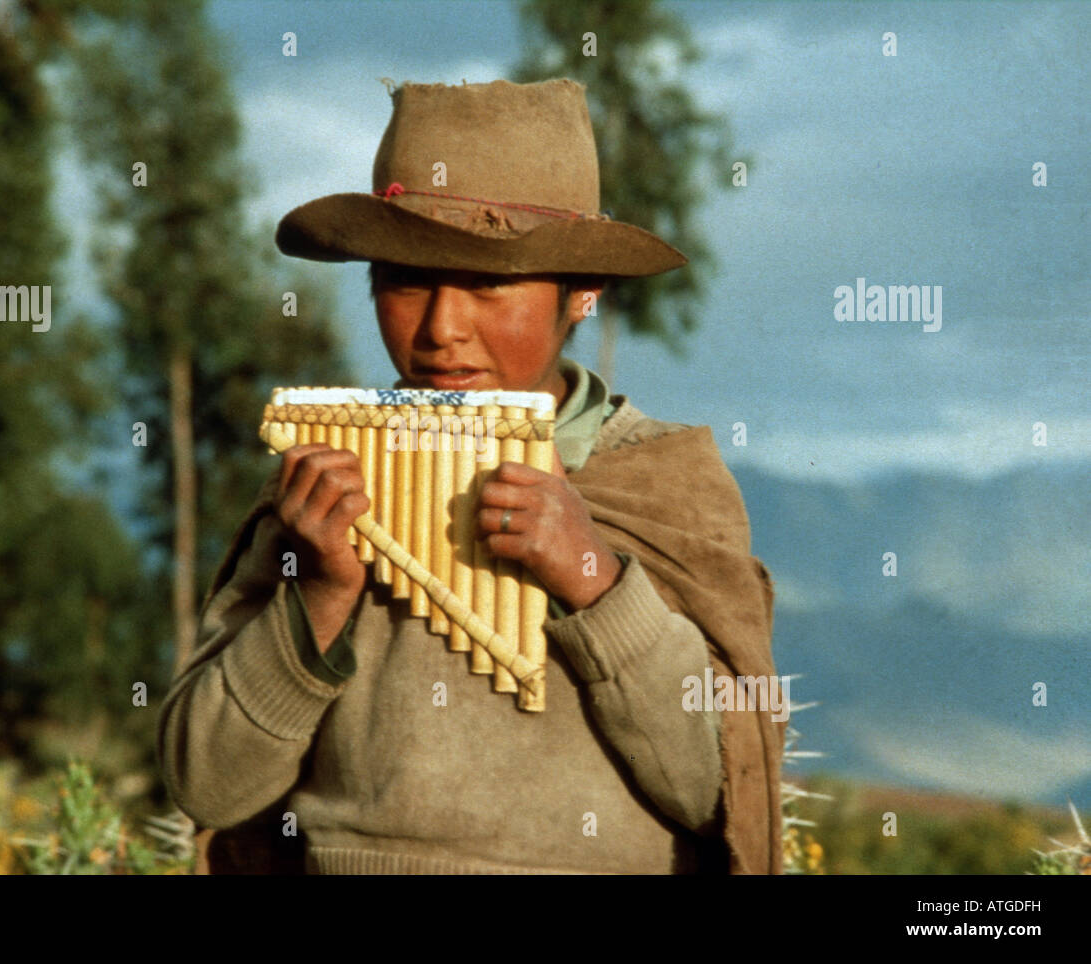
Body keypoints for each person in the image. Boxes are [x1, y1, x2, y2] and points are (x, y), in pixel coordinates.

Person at [158, 78, 784, 874]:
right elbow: (205, 787)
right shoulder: (325, 480)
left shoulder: (665, 483)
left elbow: (724, 790)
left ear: (582, 293)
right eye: (406, 281)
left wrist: (592, 579)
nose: (440, 332)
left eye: (488, 284)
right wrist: (318, 596)